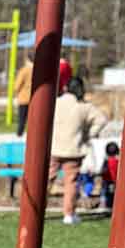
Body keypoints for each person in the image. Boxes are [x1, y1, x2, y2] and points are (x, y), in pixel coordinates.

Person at [49, 77, 107, 225]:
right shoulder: (84, 106)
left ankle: (35, 212)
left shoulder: (56, 102)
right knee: (71, 183)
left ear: (65, 88)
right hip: (73, 150)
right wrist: (89, 134)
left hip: (53, 148)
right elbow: (102, 119)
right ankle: (69, 215)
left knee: (46, 180)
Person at [14, 56, 33, 137]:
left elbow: (17, 85)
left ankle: (19, 134)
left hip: (23, 97)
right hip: (33, 97)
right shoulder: (37, 70)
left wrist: (16, 90)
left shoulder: (24, 70)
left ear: (27, 60)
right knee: (31, 119)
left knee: (22, 119)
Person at [99, 141, 120, 211]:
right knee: (114, 193)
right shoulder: (118, 161)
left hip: (106, 180)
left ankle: (103, 204)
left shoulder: (106, 161)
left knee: (104, 192)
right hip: (116, 180)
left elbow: (103, 170)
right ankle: (113, 205)